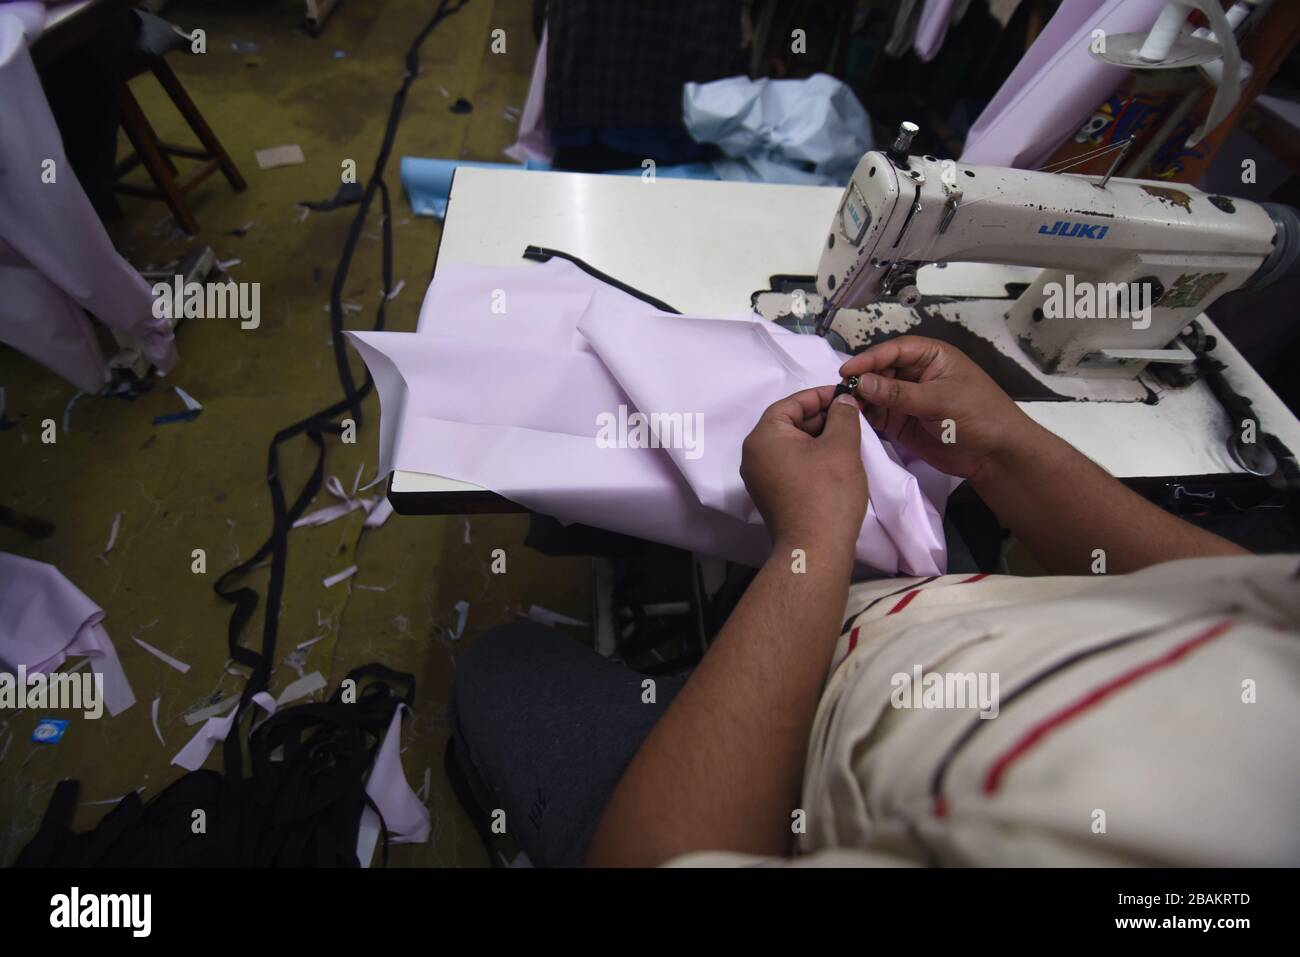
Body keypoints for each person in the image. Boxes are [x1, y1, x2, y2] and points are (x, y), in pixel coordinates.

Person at [449, 336, 1300, 867]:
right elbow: (1214, 588)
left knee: (498, 667)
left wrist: (809, 543)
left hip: (788, 798)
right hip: (917, 612)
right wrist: (1003, 447)